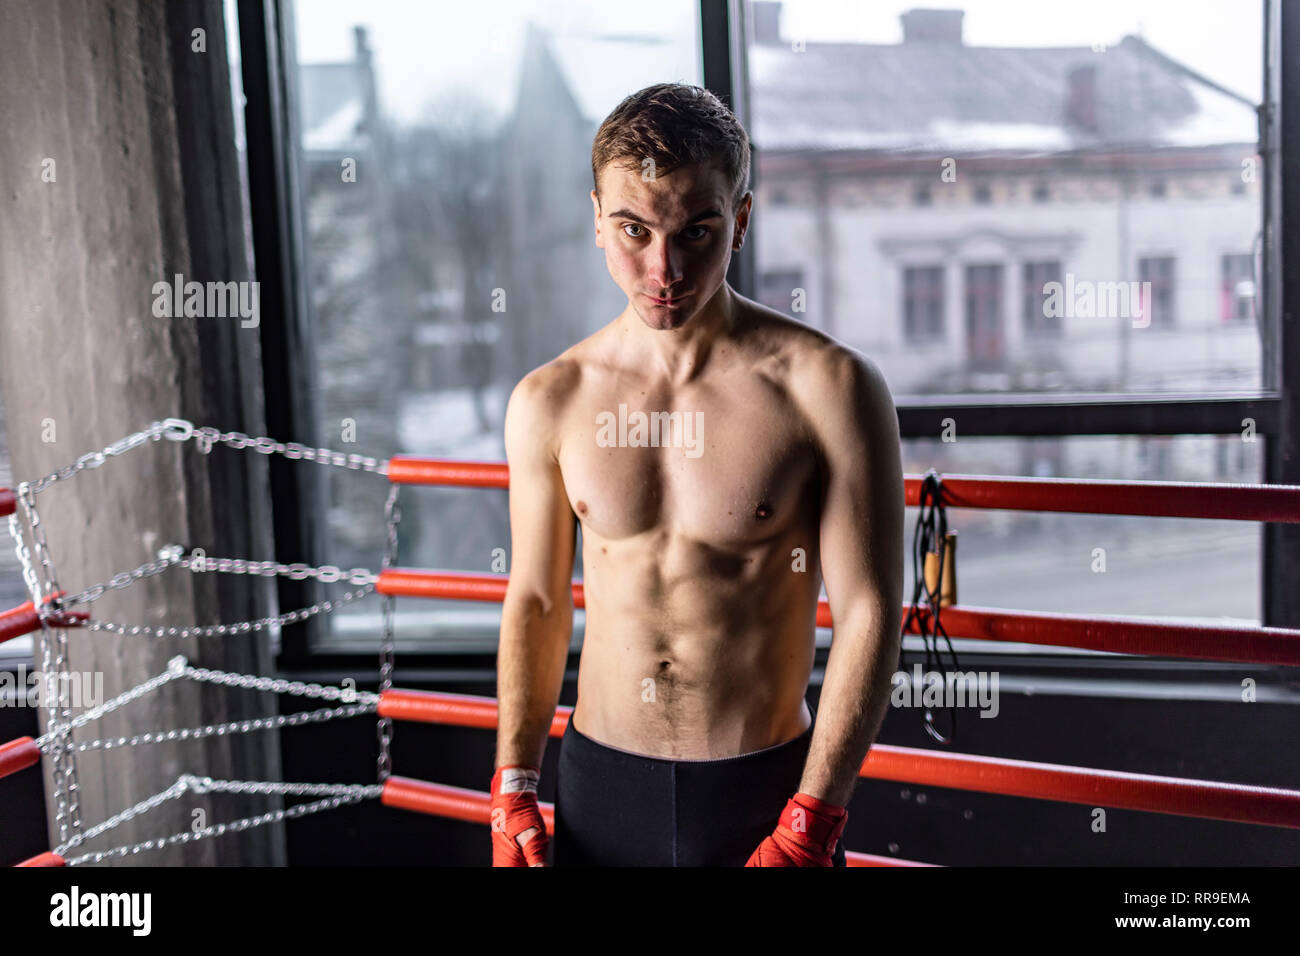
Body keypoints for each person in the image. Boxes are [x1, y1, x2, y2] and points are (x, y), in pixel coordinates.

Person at [490, 82, 904, 867]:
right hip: (600, 787)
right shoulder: (551, 399)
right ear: (596, 219)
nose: (663, 267)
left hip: (764, 791)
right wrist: (513, 784)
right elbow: (538, 600)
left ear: (740, 220)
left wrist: (813, 817)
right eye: (633, 230)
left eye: (697, 231)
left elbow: (871, 611)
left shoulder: (830, 389)